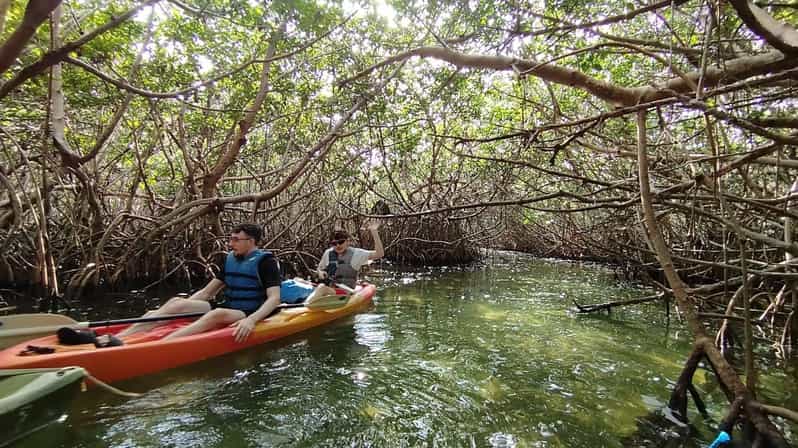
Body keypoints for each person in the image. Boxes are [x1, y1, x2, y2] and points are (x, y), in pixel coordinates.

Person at [115, 223, 281, 343]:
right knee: (175, 303)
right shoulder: (232, 258)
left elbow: (274, 299)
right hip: (230, 306)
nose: (231, 244)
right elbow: (207, 293)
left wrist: (251, 320)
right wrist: (185, 309)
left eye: (236, 240)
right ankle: (118, 339)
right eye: (231, 239)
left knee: (217, 314)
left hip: (249, 311)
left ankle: (159, 346)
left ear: (251, 241)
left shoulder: (266, 262)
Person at [312, 221, 384, 297]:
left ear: (348, 241)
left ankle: (305, 305)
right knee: (317, 286)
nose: (338, 245)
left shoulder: (356, 254)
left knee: (321, 288)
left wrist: (374, 231)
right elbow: (319, 269)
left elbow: (379, 254)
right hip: (330, 289)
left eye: (341, 242)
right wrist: (320, 273)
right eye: (334, 243)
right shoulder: (328, 253)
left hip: (346, 291)